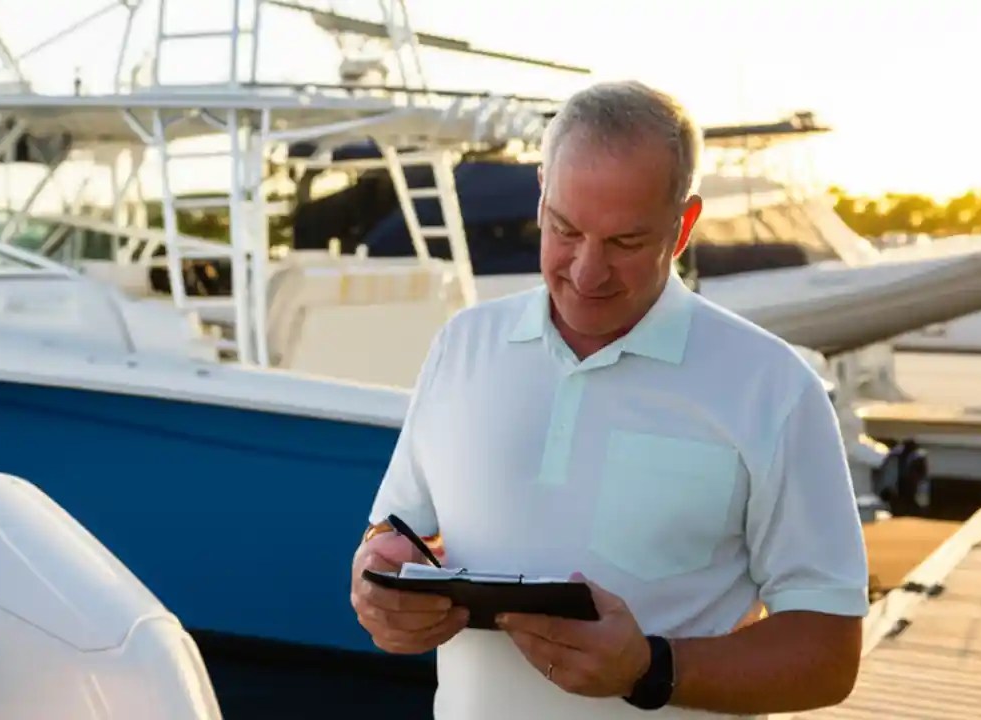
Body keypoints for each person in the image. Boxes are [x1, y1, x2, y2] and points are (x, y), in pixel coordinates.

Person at [349, 79, 868, 719]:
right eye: (565, 229)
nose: (586, 271)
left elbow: (830, 653)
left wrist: (651, 670)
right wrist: (379, 589)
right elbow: (397, 533)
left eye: (625, 242)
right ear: (542, 193)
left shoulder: (774, 388)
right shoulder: (463, 346)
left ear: (683, 227)